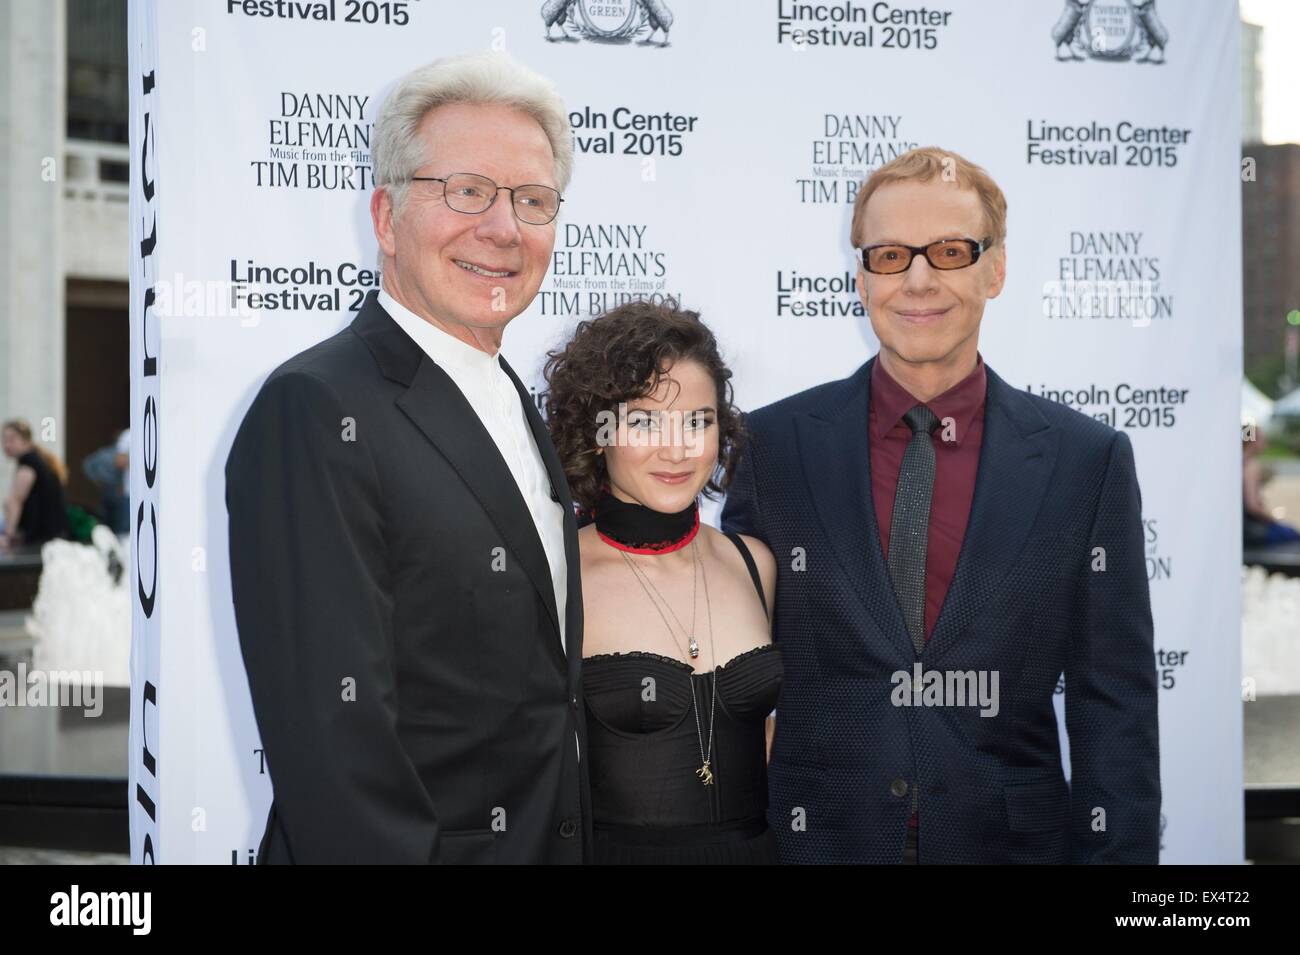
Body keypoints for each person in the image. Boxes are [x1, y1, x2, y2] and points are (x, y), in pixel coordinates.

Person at [722, 146, 1160, 864]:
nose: (918, 279)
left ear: (997, 269)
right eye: (890, 254)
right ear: (861, 277)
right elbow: (735, 671)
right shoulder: (772, 447)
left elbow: (1115, 704)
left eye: (951, 251)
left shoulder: (1086, 461)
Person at [225, 52, 588, 864]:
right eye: (466, 191)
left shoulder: (511, 402)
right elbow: (335, 743)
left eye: (532, 200)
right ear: (386, 218)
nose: (502, 229)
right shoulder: (315, 407)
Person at [544, 301, 780, 864]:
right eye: (644, 421)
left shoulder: (754, 563)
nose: (677, 449)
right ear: (597, 432)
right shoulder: (557, 574)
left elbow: (766, 740)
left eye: (697, 421)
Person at [2, 418, 72, 548]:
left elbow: (14, 501)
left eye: (11, 440)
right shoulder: (39, 459)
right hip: (54, 534)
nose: (6, 445)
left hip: (42, 537)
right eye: (4, 440)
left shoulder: (28, 462)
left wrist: (8, 536)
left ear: (25, 440)